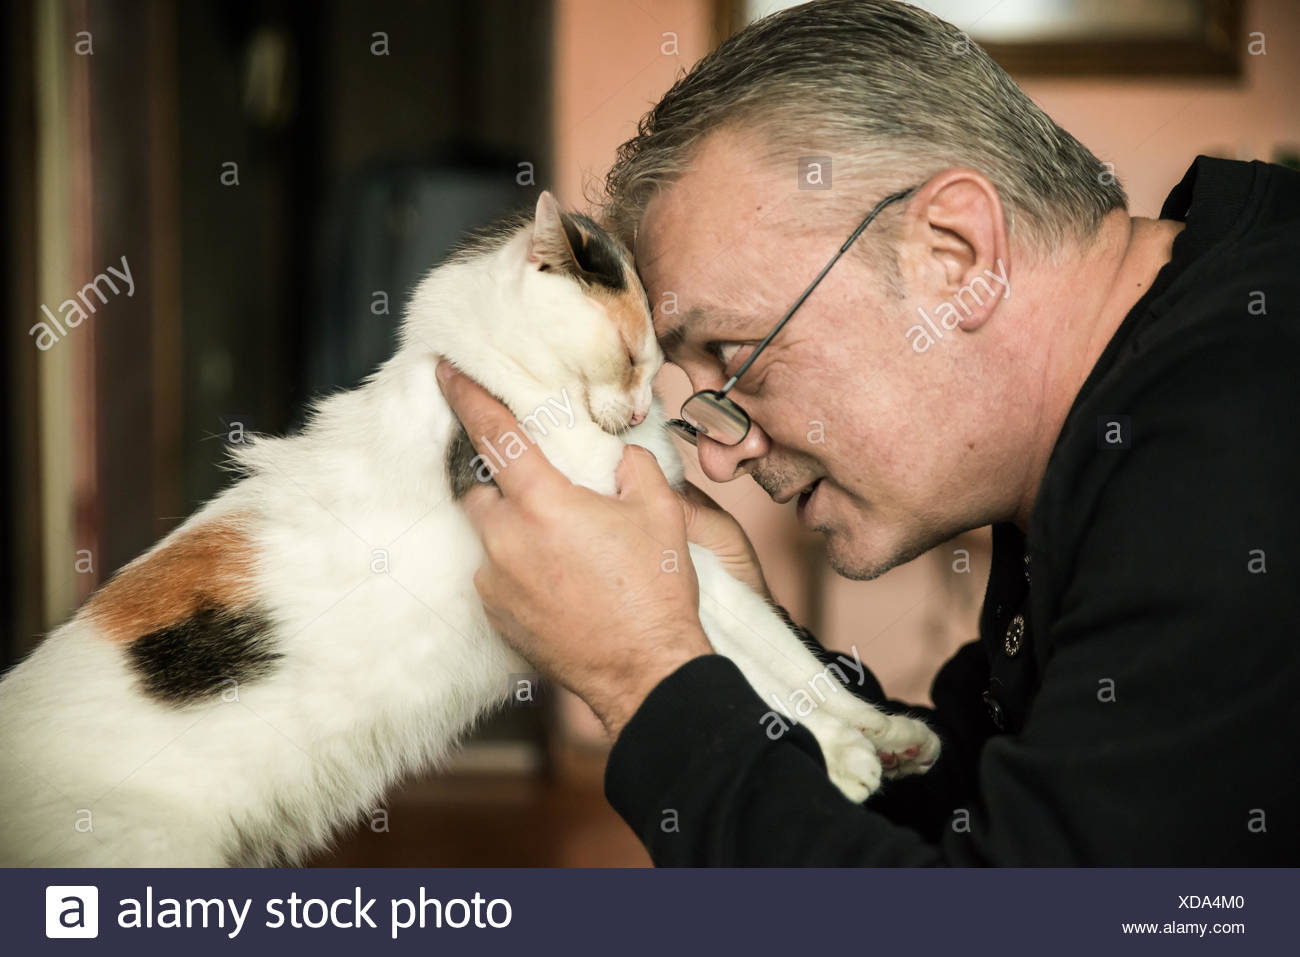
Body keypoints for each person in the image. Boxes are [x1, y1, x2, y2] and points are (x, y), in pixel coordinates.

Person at [435, 0, 1300, 864]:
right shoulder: (1149, 385)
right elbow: (970, 812)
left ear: (952, 254)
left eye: (734, 352)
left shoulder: (1243, 425)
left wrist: (645, 676)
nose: (718, 454)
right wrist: (739, 642)